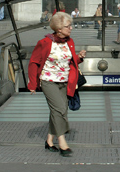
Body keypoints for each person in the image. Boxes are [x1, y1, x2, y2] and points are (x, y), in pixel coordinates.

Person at [28, 11, 86, 157]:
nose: (71, 28)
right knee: (59, 109)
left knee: (59, 111)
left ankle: (49, 141)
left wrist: (79, 57)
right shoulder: (45, 43)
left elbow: (69, 61)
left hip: (65, 82)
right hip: (48, 81)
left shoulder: (69, 42)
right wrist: (32, 84)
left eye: (71, 25)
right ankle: (62, 142)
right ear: (59, 29)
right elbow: (34, 62)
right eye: (68, 26)